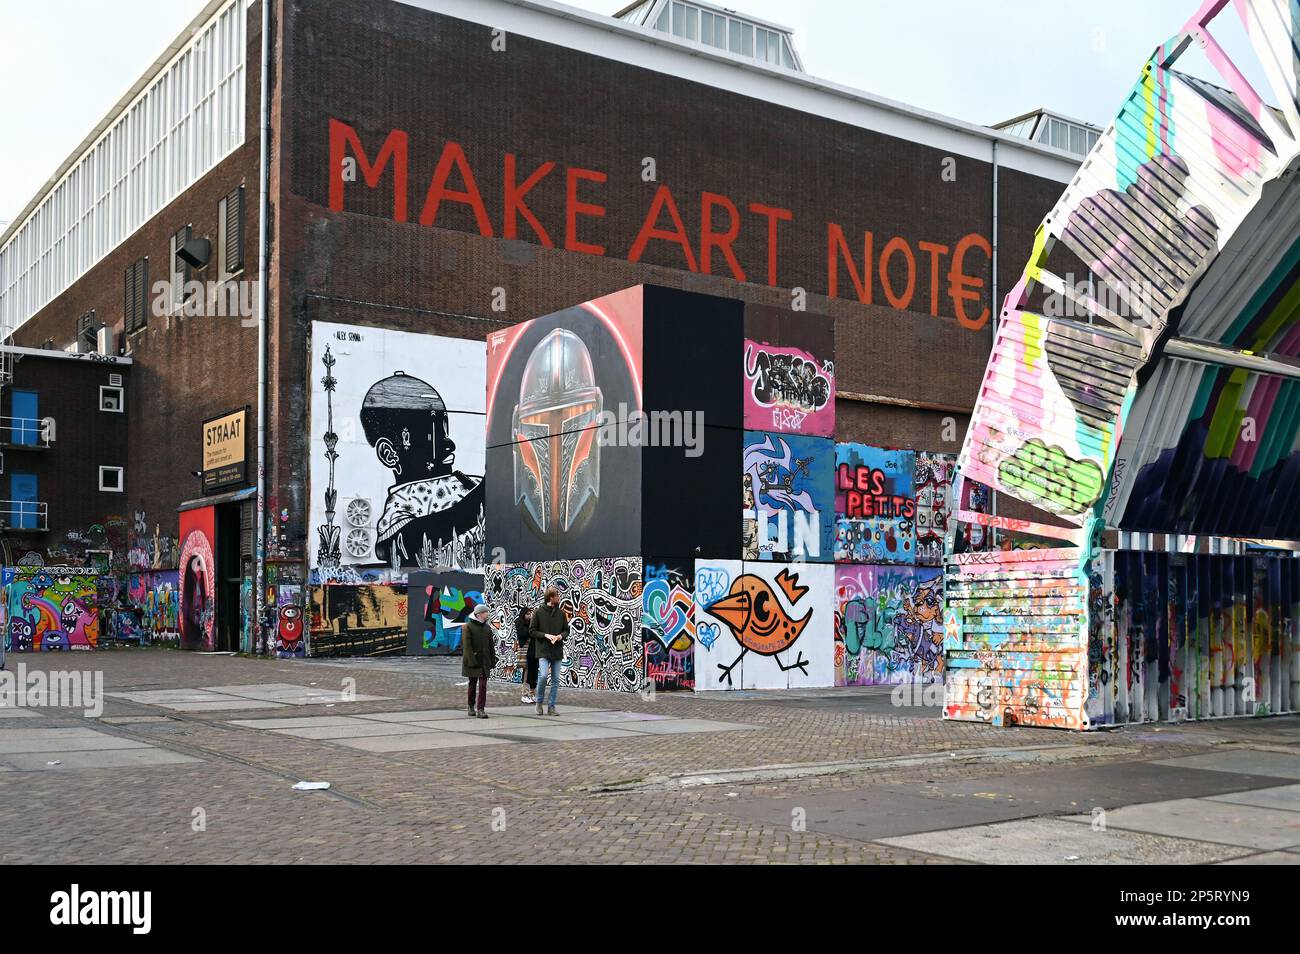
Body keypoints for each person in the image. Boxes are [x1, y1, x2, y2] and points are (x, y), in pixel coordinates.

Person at [529, 586, 569, 715]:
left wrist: (560, 636)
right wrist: (546, 635)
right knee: (544, 675)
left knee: (556, 679)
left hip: (557, 650)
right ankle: (539, 702)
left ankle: (551, 706)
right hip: (543, 650)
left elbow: (566, 630)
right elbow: (532, 631)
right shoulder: (538, 612)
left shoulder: (561, 613)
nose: (559, 597)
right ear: (551, 597)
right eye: (557, 595)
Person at [461, 603, 498, 719]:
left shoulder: (487, 628)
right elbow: (467, 646)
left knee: (483, 685)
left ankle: (480, 709)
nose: (487, 614)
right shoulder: (468, 627)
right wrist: (472, 660)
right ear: (479, 614)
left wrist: (492, 660)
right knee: (472, 684)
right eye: (485, 612)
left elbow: (491, 646)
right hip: (473, 661)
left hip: (484, 661)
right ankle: (470, 706)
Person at [515, 607, 538, 704]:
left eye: (530, 614)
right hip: (525, 651)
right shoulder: (519, 623)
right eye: (527, 614)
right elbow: (524, 633)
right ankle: (524, 694)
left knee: (534, 672)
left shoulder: (532, 623)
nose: (529, 616)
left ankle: (532, 694)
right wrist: (531, 630)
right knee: (526, 672)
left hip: (534, 650)